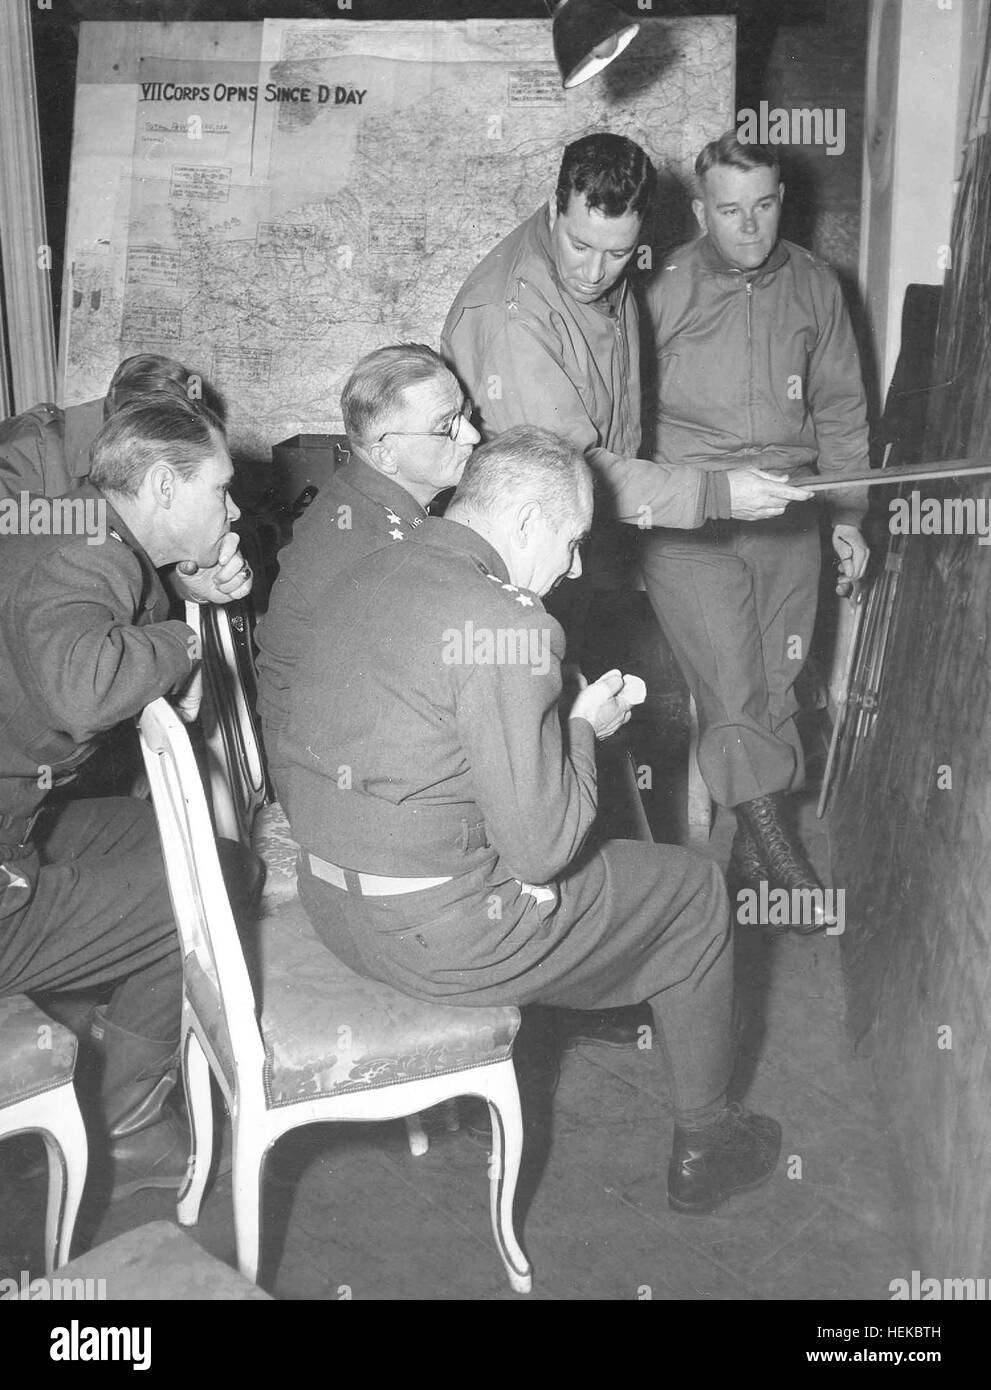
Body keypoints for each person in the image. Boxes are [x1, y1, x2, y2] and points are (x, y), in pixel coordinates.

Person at [280, 426, 782, 1215]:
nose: (574, 566)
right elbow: (543, 851)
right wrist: (581, 726)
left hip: (331, 906)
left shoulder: (367, 569)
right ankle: (707, 1137)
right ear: (523, 525)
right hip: (437, 939)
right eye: (572, 541)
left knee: (582, 865)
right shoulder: (510, 625)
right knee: (693, 891)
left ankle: (602, 989)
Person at [0, 398, 251, 1200]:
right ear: (161, 487)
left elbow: (82, 598)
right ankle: (130, 1121)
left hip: (18, 818)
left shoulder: (68, 521)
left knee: (178, 844)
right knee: (205, 887)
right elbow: (82, 686)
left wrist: (183, 581)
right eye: (221, 488)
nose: (236, 507)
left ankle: (115, 1046)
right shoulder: (92, 557)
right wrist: (183, 638)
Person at [640, 132, 870, 929]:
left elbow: (839, 407)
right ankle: (789, 870)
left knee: (774, 689)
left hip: (789, 516)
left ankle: (746, 877)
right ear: (700, 209)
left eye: (763, 206)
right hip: (691, 523)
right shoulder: (657, 288)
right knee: (733, 692)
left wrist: (846, 517)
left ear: (781, 201)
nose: (748, 226)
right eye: (728, 210)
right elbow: (619, 417)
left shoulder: (814, 282)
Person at [441, 132, 812, 554]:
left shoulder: (588, 261)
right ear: (552, 210)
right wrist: (716, 493)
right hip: (521, 541)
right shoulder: (515, 321)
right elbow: (567, 468)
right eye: (579, 245)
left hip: (578, 526)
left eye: (618, 253)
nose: (595, 272)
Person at [255, 344, 479, 802]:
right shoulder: (377, 546)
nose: (472, 435)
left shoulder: (358, 500)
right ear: (386, 454)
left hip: (329, 749)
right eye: (447, 427)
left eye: (465, 414)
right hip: (333, 785)